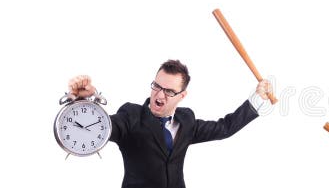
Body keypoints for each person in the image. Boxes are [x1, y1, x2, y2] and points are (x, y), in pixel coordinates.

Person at [67, 59, 273, 188]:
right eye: (157, 86)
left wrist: (257, 97)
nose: (159, 94)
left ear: (182, 95)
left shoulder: (187, 121)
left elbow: (225, 128)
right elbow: (99, 129)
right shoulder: (131, 116)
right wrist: (85, 100)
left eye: (169, 91)